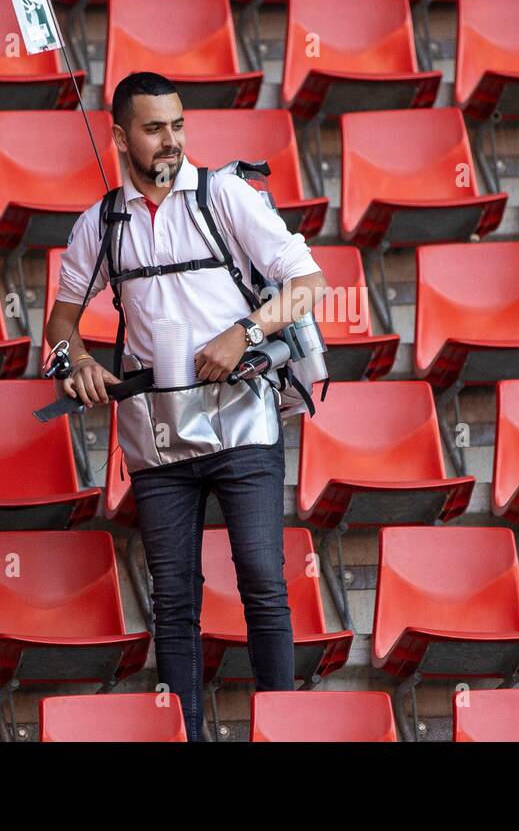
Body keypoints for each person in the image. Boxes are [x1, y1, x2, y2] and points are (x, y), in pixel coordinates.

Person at [44, 71, 327, 741]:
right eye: (153, 128)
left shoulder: (222, 194)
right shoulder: (99, 222)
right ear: (121, 138)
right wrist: (77, 362)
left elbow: (308, 282)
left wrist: (245, 333)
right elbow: (59, 325)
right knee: (173, 599)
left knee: (262, 580)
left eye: (176, 125)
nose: (170, 140)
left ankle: (280, 730)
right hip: (158, 436)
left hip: (243, 417)